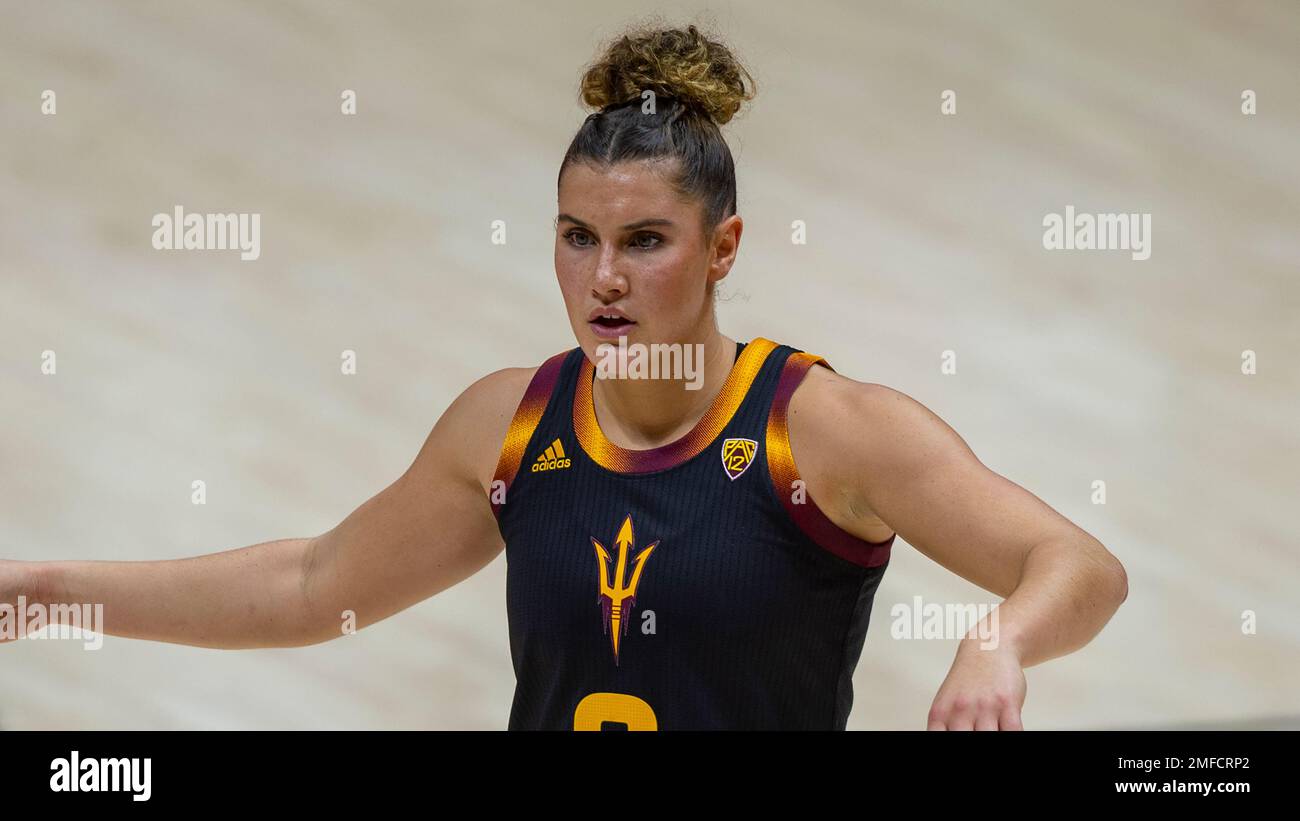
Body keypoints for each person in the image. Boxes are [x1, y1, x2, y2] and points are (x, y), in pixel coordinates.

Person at [1, 22, 1127, 730]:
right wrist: (49, 590)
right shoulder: (513, 423)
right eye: (575, 236)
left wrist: (998, 639)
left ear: (722, 249)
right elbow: (311, 584)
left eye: (644, 241)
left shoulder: (822, 433)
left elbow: (1077, 564)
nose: (602, 279)